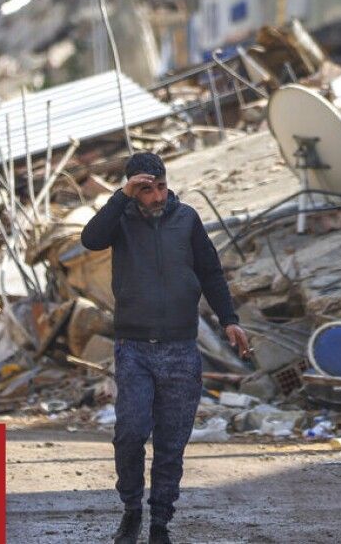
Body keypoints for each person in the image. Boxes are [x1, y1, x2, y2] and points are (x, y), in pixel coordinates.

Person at [81, 152, 249, 544]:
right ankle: (131, 511)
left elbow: (210, 271)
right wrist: (121, 198)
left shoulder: (186, 218)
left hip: (180, 348)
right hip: (134, 347)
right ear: (132, 189)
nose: (157, 197)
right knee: (130, 433)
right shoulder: (119, 220)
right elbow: (91, 240)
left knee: (172, 441)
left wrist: (230, 320)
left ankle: (160, 522)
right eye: (146, 190)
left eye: (160, 187)